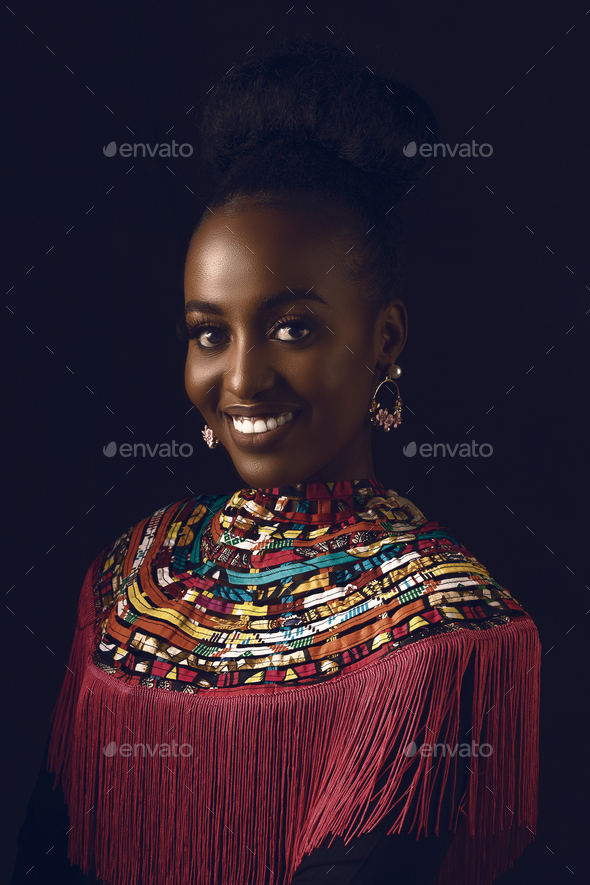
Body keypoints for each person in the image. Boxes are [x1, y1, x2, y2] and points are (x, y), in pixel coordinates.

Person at [11, 35, 541, 885]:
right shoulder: (131, 578)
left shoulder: (441, 627)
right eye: (209, 333)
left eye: (294, 326)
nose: (244, 377)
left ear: (385, 340)